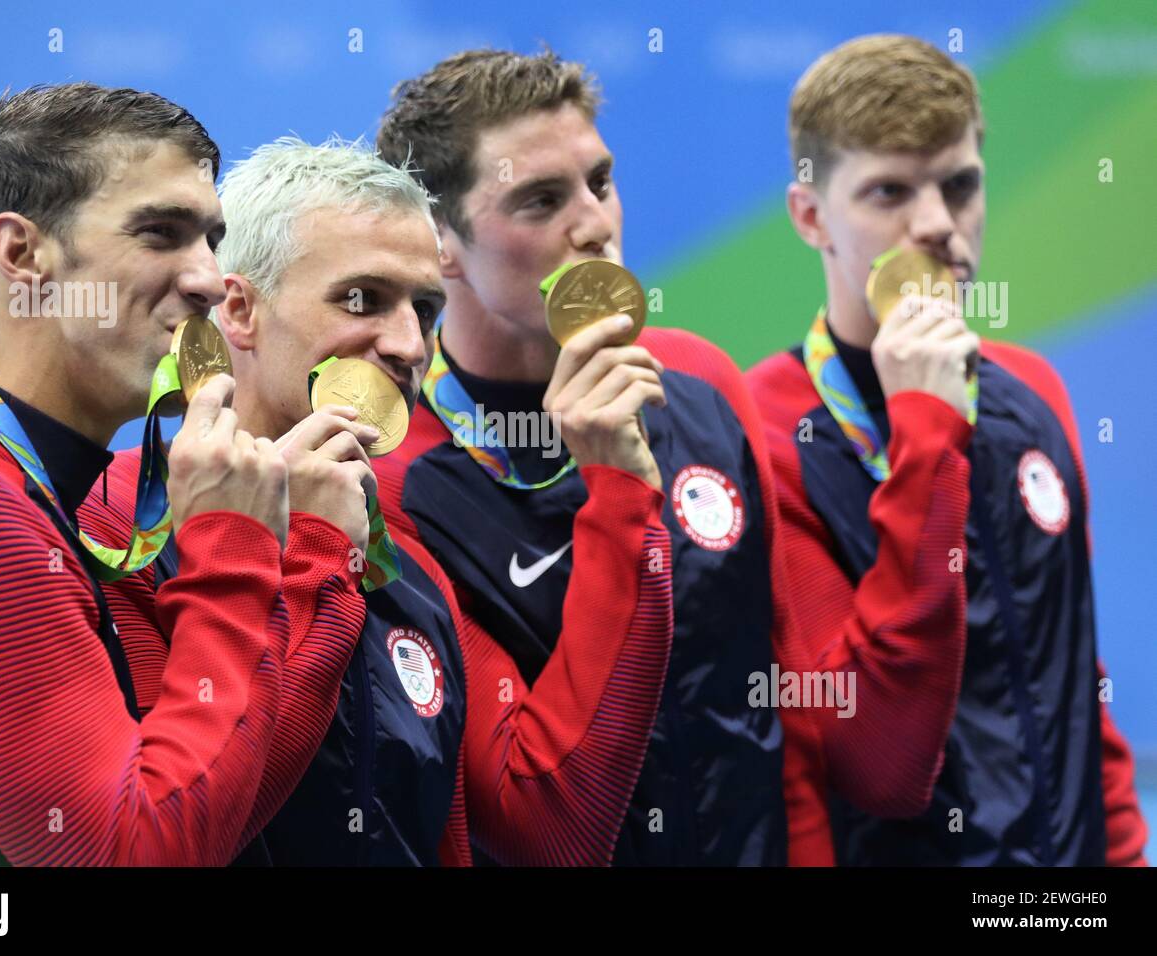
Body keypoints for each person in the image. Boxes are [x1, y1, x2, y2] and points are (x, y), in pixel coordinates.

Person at [77, 137, 674, 865]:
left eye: (425, 309)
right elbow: (177, 842)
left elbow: (552, 831)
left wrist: (622, 496)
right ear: (239, 310)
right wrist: (314, 556)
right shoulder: (115, 529)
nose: (407, 345)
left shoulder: (406, 568)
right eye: (362, 299)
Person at [373, 48, 884, 865]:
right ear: (438, 243)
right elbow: (530, 821)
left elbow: (784, 700)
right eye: (540, 201)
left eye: (599, 183)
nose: (594, 224)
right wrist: (613, 484)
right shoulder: (399, 485)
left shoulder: (702, 379)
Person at [0, 84, 362, 865]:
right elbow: (136, 855)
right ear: (21, 254)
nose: (207, 281)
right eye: (161, 233)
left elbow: (226, 806)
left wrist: (317, 560)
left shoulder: (42, 498)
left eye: (211, 241)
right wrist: (233, 546)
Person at [746, 34, 1147, 865]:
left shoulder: (1032, 390)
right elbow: (874, 757)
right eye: (890, 191)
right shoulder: (763, 428)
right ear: (811, 214)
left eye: (959, 186)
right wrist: (925, 431)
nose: (936, 225)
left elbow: (1077, 683)